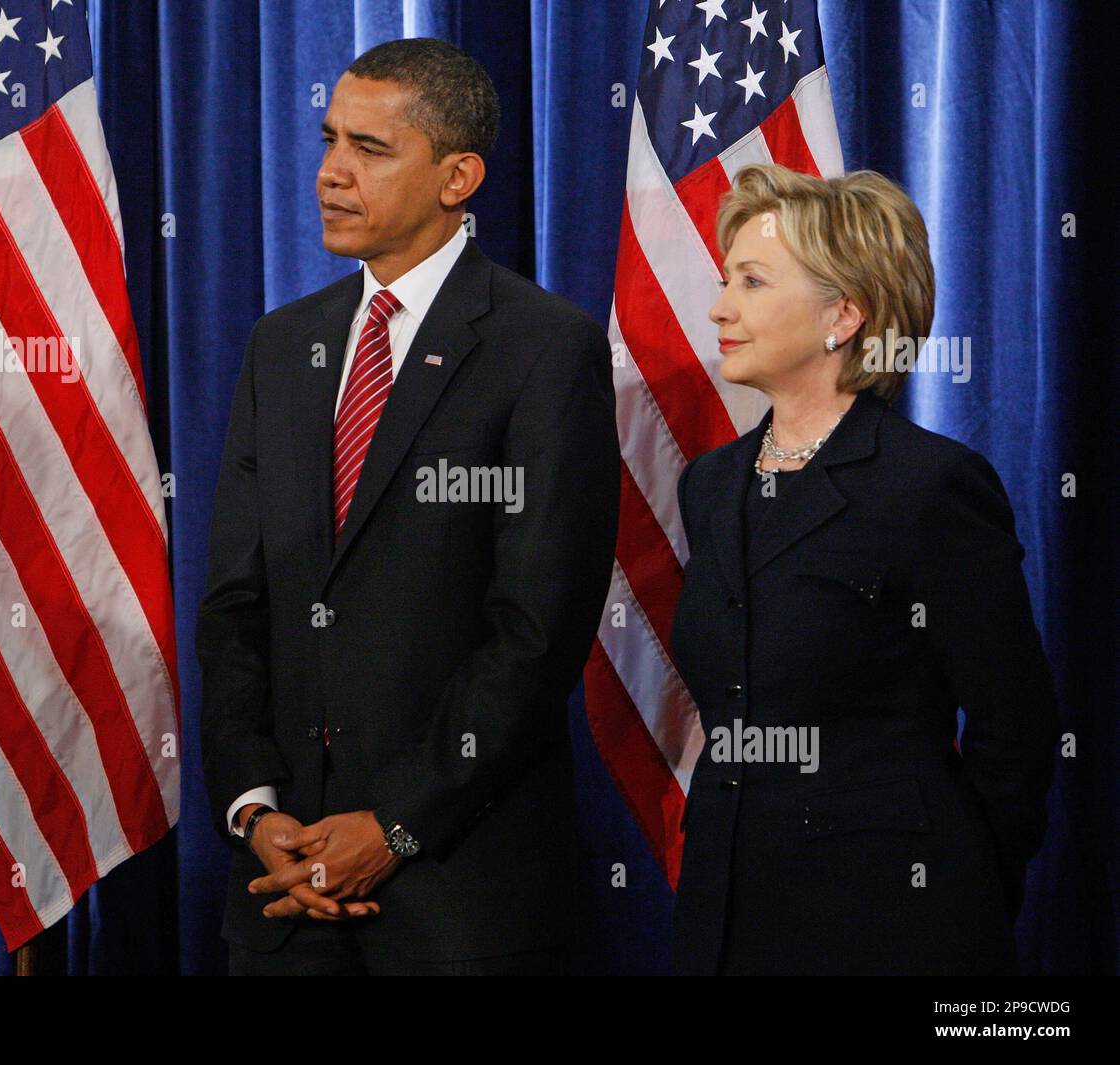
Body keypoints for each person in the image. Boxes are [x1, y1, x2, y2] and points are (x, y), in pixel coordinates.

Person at [197, 37, 620, 976]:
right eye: (328, 141)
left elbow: (537, 630)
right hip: (282, 896)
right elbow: (234, 603)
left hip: (456, 906)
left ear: (457, 175)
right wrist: (257, 811)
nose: (330, 174)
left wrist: (393, 826)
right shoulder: (281, 345)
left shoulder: (544, 349)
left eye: (371, 149)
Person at [670, 163, 1058, 975]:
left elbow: (1014, 727)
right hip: (726, 921)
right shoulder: (709, 485)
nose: (718, 307)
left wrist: (967, 891)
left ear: (843, 315)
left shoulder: (930, 485)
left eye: (750, 280)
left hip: (890, 926)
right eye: (722, 279)